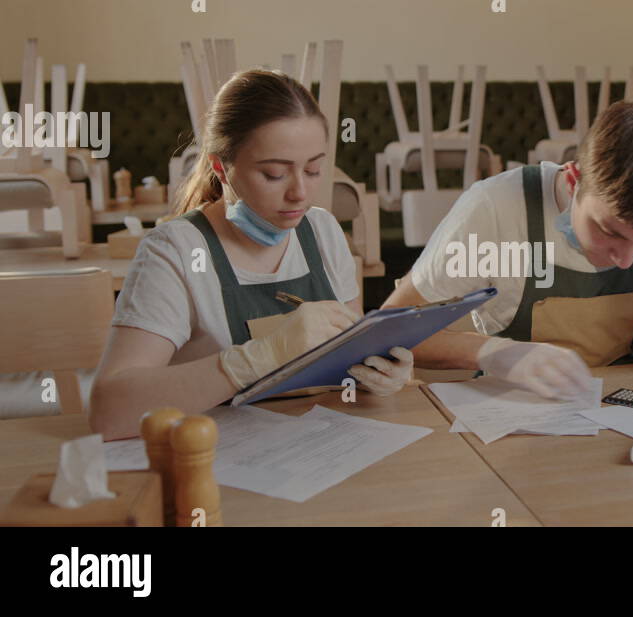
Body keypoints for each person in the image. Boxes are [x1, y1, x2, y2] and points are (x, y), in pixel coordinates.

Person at [90, 70, 413, 440]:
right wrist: (258, 358)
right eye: (275, 174)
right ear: (220, 168)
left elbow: (347, 353)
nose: (300, 194)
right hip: (213, 461)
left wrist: (376, 372)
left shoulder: (322, 231)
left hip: (315, 448)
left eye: (314, 169)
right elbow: (108, 413)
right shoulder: (176, 251)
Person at [383, 99, 633, 400]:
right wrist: (489, 352)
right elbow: (390, 330)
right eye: (610, 233)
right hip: (508, 416)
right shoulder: (496, 207)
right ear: (574, 181)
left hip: (621, 413)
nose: (625, 259)